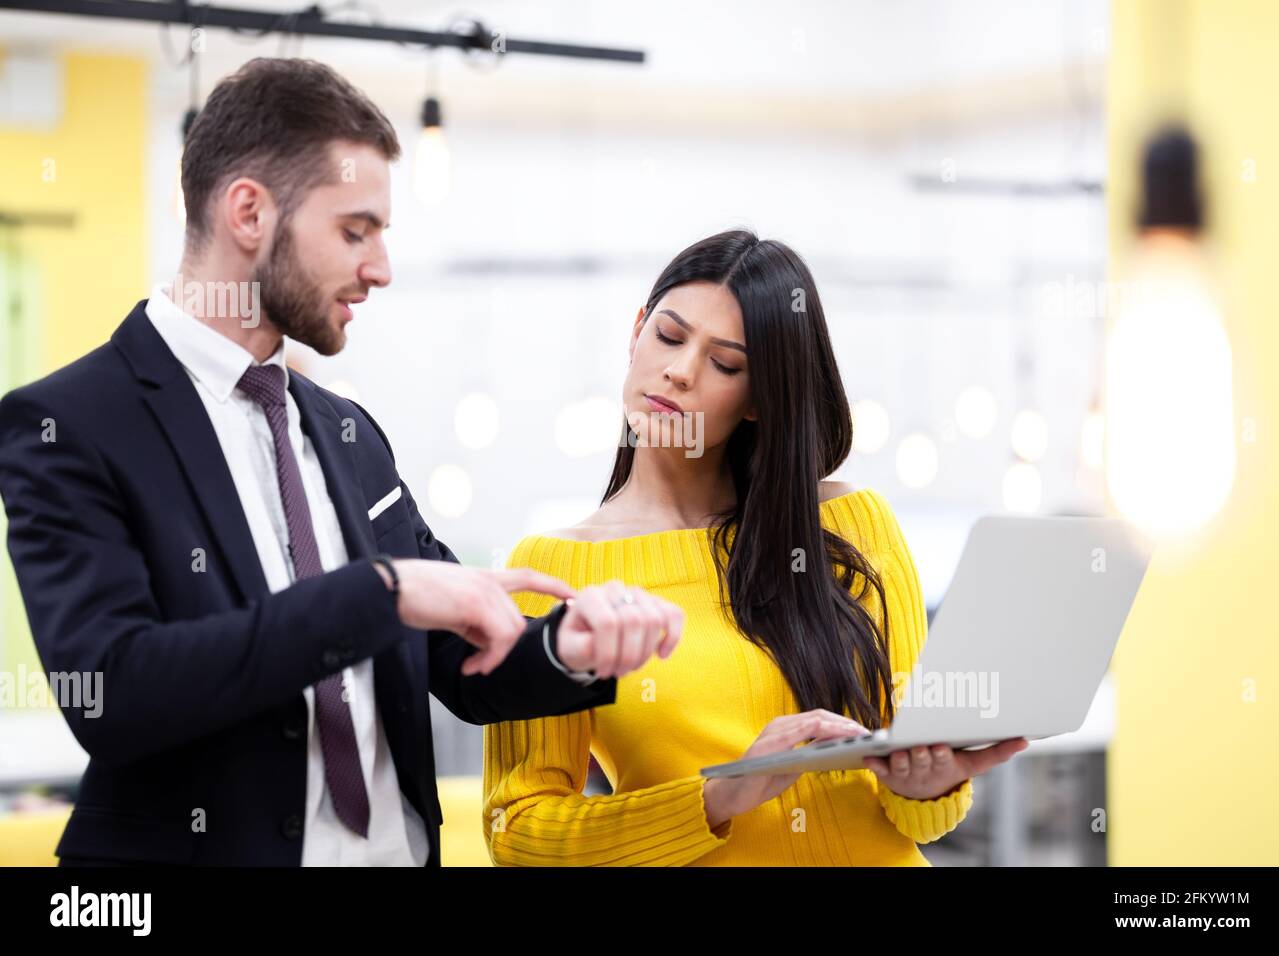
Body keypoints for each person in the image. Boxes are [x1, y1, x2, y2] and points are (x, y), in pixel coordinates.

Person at [0, 57, 684, 867]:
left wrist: (571, 646)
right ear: (249, 211)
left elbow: (457, 666)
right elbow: (114, 694)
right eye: (355, 230)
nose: (381, 268)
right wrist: (379, 592)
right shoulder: (72, 423)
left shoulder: (346, 431)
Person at [483, 230, 1027, 866]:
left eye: (725, 364)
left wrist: (928, 786)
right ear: (636, 332)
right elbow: (519, 832)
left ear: (758, 402)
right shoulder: (554, 571)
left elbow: (923, 816)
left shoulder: (852, 527)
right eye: (668, 335)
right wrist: (717, 797)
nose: (680, 371)